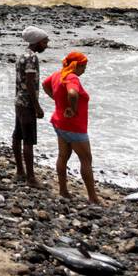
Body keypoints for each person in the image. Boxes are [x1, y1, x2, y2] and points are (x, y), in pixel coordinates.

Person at [43, 51, 102, 205]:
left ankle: (63, 190)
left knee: (63, 156)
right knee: (86, 160)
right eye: (83, 66)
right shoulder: (71, 77)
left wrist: (57, 100)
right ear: (76, 65)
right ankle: (93, 198)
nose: (85, 69)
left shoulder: (58, 74)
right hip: (74, 127)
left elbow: (45, 84)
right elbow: (73, 93)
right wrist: (73, 109)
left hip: (59, 122)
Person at [12, 26, 49, 187]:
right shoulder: (32, 58)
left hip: (19, 101)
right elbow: (29, 82)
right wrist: (37, 107)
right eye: (45, 42)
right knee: (28, 140)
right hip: (27, 104)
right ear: (37, 42)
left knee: (17, 136)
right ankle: (31, 178)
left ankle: (20, 171)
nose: (46, 45)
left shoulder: (22, 55)